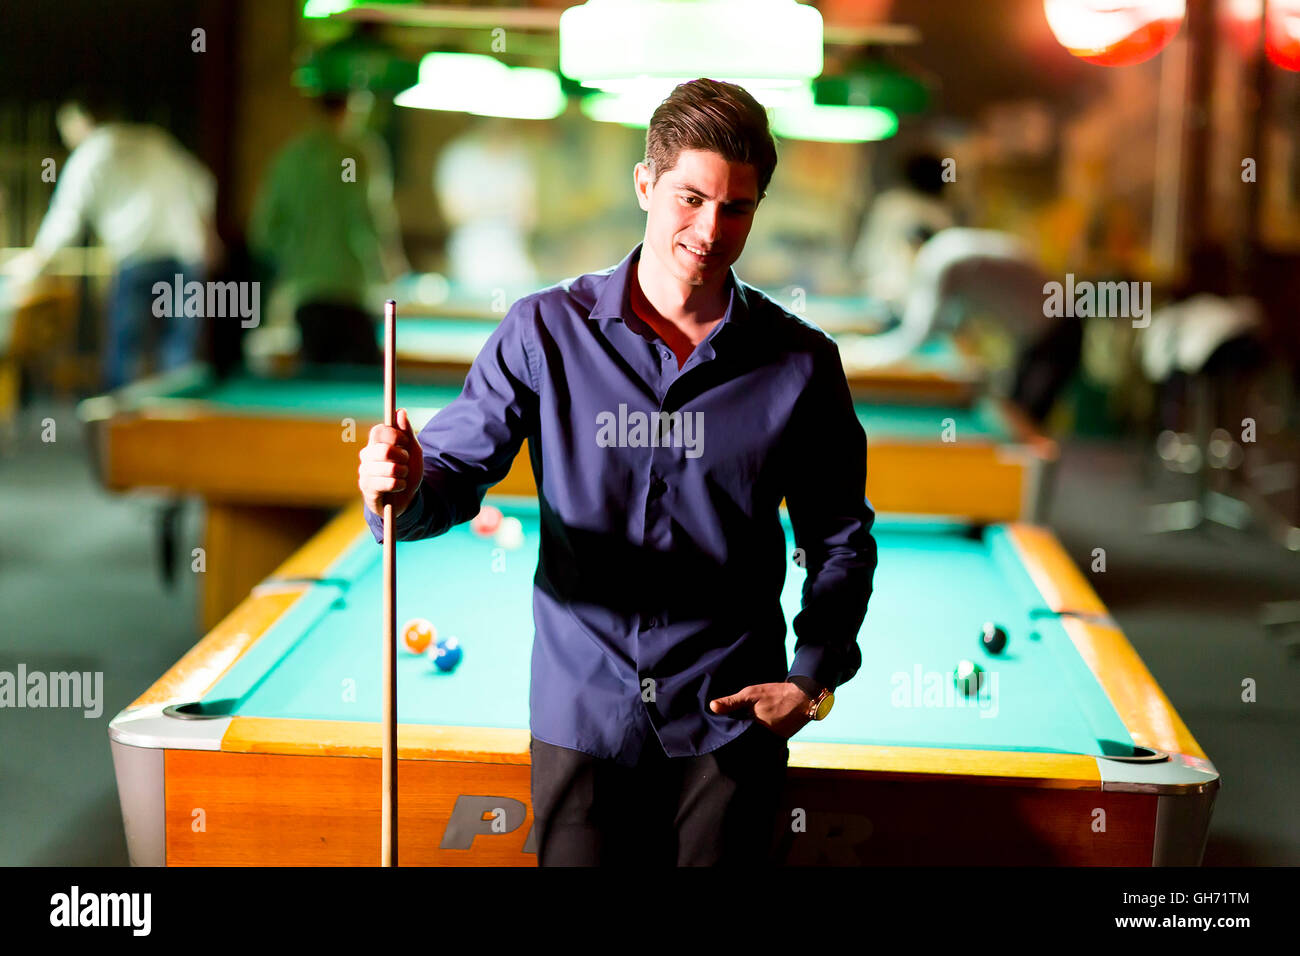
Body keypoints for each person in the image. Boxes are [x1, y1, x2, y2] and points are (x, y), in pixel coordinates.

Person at [357, 79, 878, 867]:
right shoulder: (544, 330)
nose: (709, 229)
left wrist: (810, 678)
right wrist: (398, 488)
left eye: (736, 208)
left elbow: (840, 540)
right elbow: (450, 479)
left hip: (728, 720)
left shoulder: (802, 363)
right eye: (690, 198)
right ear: (645, 183)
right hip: (584, 715)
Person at [9, 94, 218, 389]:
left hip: (139, 257)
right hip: (186, 253)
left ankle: (119, 429)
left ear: (81, 122)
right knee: (179, 355)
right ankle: (179, 429)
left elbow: (66, 217)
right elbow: (203, 184)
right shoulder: (153, 140)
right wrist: (208, 238)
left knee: (126, 353)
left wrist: (37, 260)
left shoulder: (91, 152)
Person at [250, 91, 406, 366]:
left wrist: (295, 265)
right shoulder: (361, 152)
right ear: (353, 104)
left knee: (315, 381)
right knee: (364, 387)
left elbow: (264, 233)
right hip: (352, 292)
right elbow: (373, 221)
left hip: (306, 295)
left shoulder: (291, 157)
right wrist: (394, 270)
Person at [852, 151, 957, 316]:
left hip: (880, 298)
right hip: (903, 303)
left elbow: (863, 259)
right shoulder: (939, 215)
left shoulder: (889, 203)